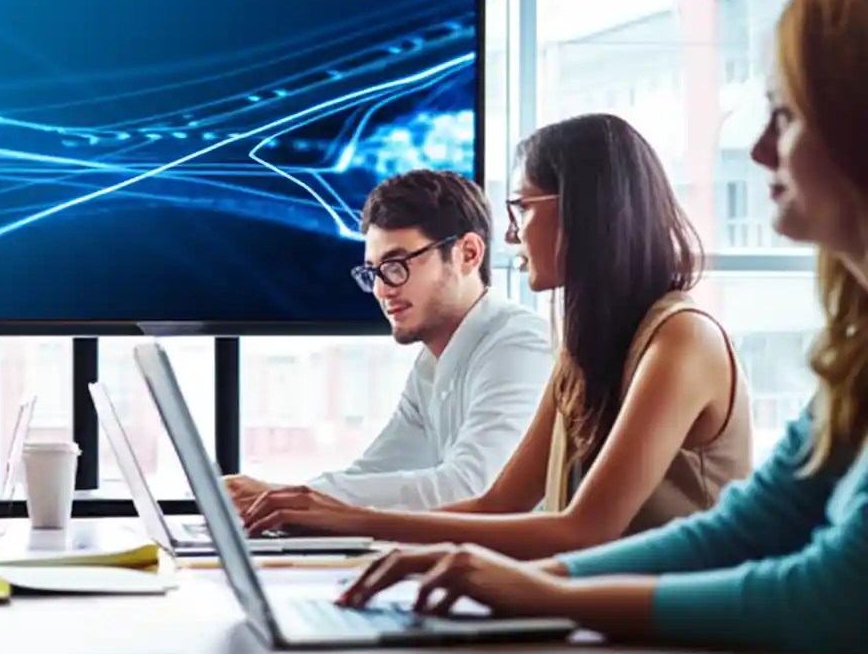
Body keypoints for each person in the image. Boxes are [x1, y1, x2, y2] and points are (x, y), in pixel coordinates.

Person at [335, 0, 868, 654]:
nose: (760, 150)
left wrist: (547, 593)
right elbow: (750, 529)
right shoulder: (853, 354)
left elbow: (826, 599)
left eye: (785, 117)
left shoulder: (680, 337)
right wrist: (512, 580)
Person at [240, 113, 753, 560]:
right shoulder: (582, 354)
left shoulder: (681, 339)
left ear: (584, 211)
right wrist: (325, 515)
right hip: (600, 612)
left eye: (522, 209)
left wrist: (351, 521)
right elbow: (498, 504)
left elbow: (583, 530)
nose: (510, 234)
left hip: (675, 626)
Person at [227, 169, 554, 511]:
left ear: (468, 254)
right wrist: (275, 497)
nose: (382, 290)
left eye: (397, 265)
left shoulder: (519, 344)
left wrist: (292, 500)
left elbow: (472, 487)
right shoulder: (432, 363)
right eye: (374, 272)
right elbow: (372, 474)